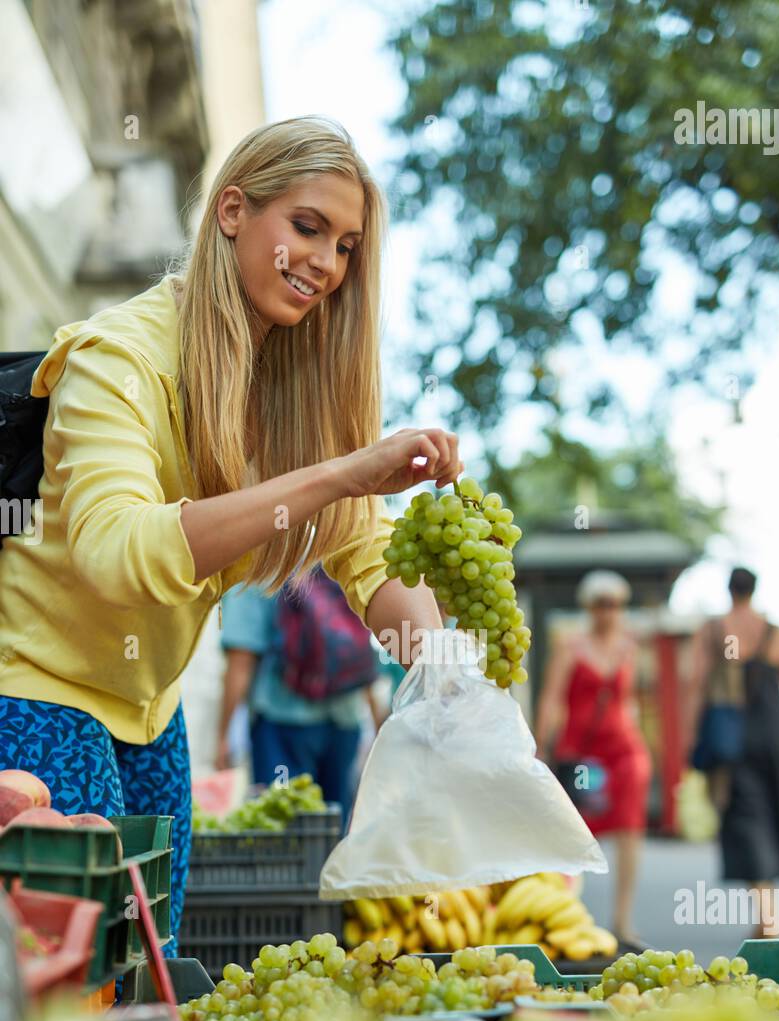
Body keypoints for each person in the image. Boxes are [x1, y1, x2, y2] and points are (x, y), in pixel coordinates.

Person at [0, 117, 462, 954]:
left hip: (153, 706)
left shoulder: (291, 387)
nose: (327, 262)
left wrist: (442, 670)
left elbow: (366, 556)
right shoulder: (119, 359)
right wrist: (338, 474)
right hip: (36, 690)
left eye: (348, 246)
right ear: (233, 212)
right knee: (75, 979)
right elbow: (115, 552)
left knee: (150, 973)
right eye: (308, 227)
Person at [684, 566, 779, 935]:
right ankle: (768, 914)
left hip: (735, 737)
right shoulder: (776, 634)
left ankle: (768, 918)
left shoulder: (715, 630)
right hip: (777, 735)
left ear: (729, 590)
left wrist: (688, 738)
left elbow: (697, 685)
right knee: (773, 815)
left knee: (747, 820)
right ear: (754, 590)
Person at [216, 571, 382, 831]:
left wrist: (222, 736)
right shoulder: (339, 557)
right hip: (345, 720)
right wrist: (377, 720)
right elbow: (360, 656)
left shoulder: (259, 566)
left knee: (282, 826)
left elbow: (241, 659)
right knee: (333, 828)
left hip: (282, 722)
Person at [535, 570, 651, 939]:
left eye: (616, 604)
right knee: (575, 831)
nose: (610, 611)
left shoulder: (629, 649)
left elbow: (629, 700)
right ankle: (569, 918)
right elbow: (552, 700)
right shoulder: (570, 647)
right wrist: (539, 746)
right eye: (602, 604)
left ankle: (623, 921)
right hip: (583, 755)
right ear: (589, 607)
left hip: (624, 751)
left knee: (630, 828)